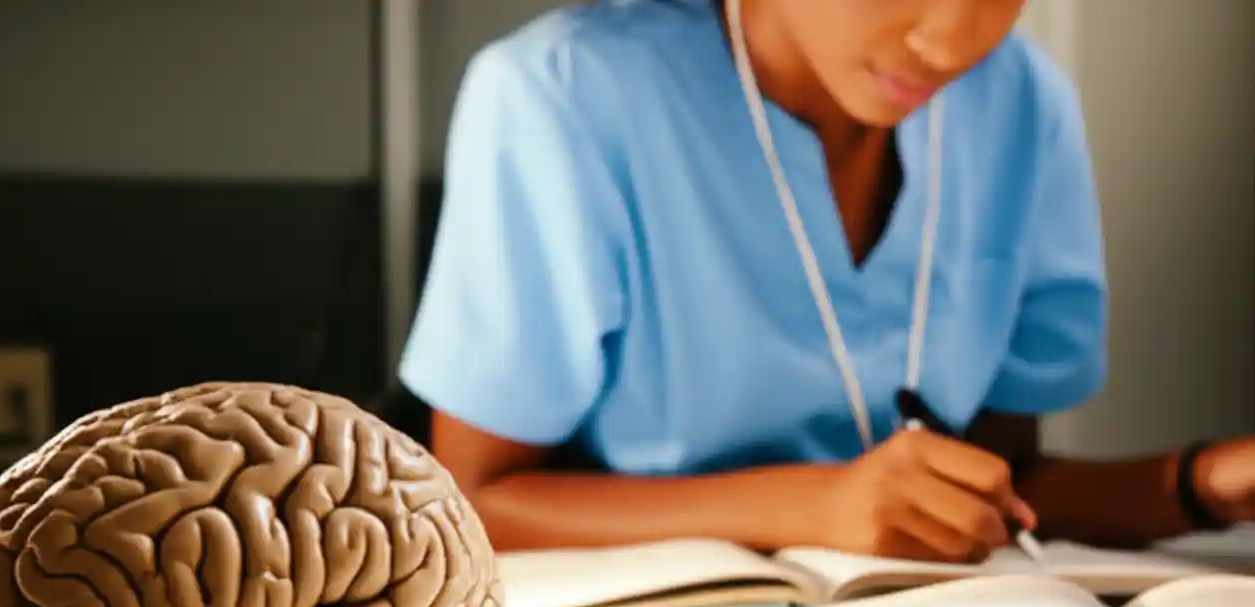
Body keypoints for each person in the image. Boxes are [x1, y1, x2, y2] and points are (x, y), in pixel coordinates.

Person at [400, 0, 1254, 559]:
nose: (949, 40)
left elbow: (995, 490)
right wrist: (807, 508)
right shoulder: (563, 96)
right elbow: (476, 504)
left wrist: (1214, 482)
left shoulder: (1022, 104)